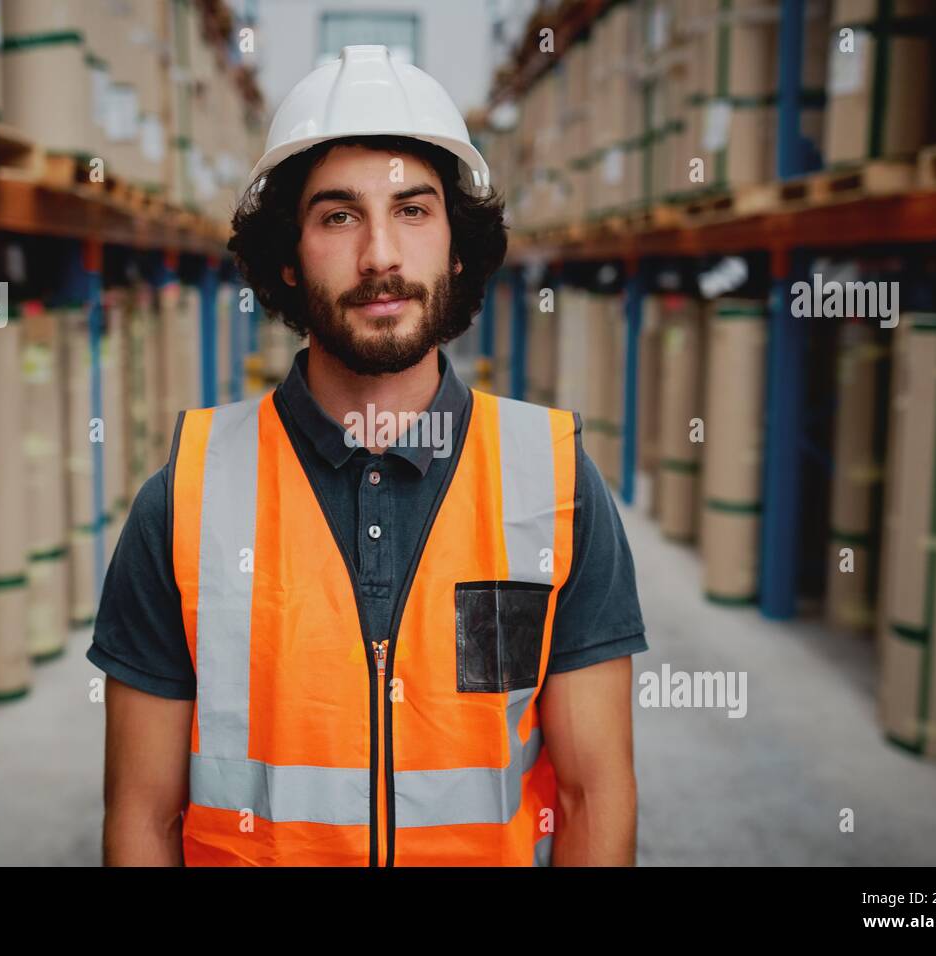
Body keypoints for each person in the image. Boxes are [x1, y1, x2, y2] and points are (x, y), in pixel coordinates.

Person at [90, 45, 647, 866]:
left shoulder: (553, 480)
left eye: (414, 210)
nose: (380, 255)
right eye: (339, 215)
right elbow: (143, 821)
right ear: (288, 256)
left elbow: (591, 799)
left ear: (457, 247)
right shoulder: (188, 497)